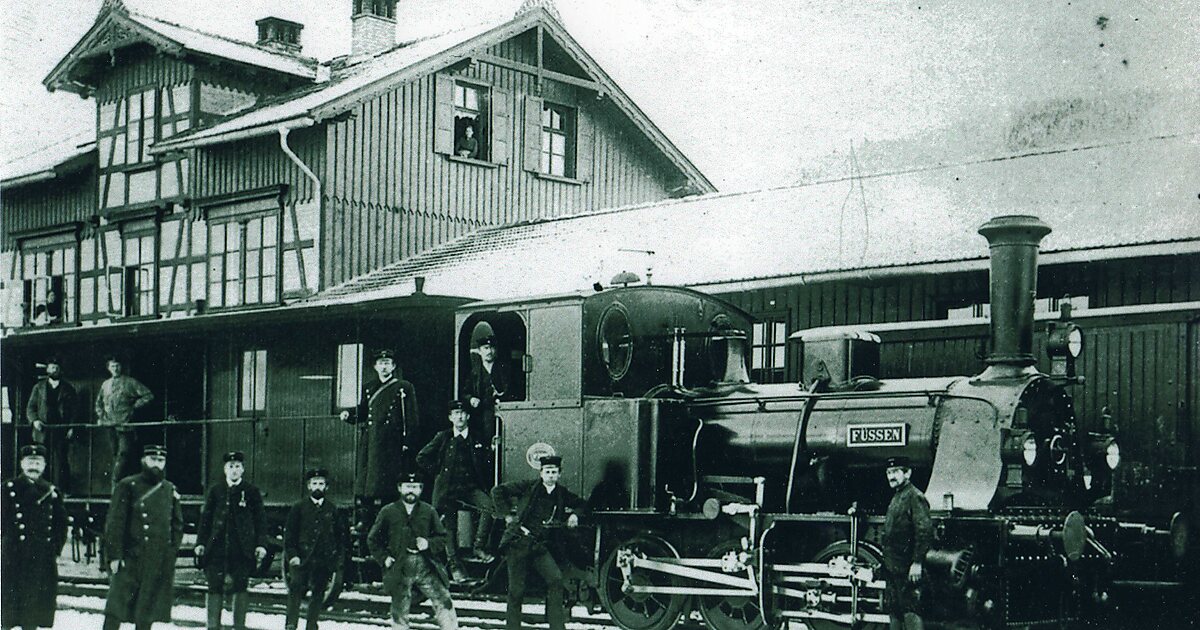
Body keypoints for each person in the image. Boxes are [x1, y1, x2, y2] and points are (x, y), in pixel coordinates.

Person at [492, 455, 587, 630]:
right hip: (518, 543)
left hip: (539, 547)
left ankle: (557, 627)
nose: (551, 475)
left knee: (556, 579)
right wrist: (506, 515)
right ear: (541, 473)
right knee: (516, 591)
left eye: (554, 472)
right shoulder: (528, 487)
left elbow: (582, 504)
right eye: (547, 472)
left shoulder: (561, 493)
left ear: (559, 474)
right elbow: (497, 491)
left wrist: (575, 515)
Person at [102, 444, 184, 630]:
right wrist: (114, 556)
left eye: (161, 460)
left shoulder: (169, 489)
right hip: (131, 558)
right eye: (153, 459)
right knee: (115, 610)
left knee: (146, 613)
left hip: (156, 560)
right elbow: (115, 523)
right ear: (144, 461)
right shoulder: (128, 485)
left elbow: (177, 524)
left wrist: (170, 552)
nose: (157, 464)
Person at [368, 473, 460, 630]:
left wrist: (428, 543)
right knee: (400, 606)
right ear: (400, 488)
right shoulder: (388, 511)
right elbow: (373, 539)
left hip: (425, 565)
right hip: (400, 566)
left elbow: (442, 537)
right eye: (408, 486)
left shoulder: (429, 511)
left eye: (415, 487)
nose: (411, 490)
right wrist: (384, 558)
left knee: (443, 599)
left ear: (421, 489)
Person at [417, 399, 496, 582]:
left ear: (468, 416)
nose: (459, 417)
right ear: (450, 418)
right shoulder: (443, 437)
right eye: (456, 414)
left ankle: (478, 547)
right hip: (448, 489)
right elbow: (422, 457)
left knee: (489, 507)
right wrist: (438, 472)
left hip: (470, 488)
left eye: (462, 414)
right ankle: (455, 566)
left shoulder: (476, 438)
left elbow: (487, 462)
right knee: (449, 526)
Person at [195, 451, 267, 630]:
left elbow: (260, 520)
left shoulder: (251, 491)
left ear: (242, 469)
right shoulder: (216, 490)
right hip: (216, 549)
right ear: (225, 469)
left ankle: (238, 626)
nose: (234, 470)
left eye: (237, 466)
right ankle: (213, 626)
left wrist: (261, 544)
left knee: (240, 586)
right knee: (214, 586)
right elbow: (205, 520)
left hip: (241, 550)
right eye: (230, 466)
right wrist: (201, 543)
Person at [340, 349, 420, 505]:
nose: (384, 367)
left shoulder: (403, 387)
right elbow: (363, 412)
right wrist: (348, 414)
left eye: (387, 363)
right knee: (369, 478)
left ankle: (387, 509)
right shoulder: (369, 387)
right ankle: (368, 510)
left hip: (392, 441)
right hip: (372, 440)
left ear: (393, 366)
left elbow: (411, 417)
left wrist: (407, 441)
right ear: (375, 367)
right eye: (381, 363)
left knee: (389, 481)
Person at [1, 445, 68, 630]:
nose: (34, 466)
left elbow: (61, 524)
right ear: (22, 464)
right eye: (30, 462)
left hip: (42, 556)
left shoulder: (51, 491)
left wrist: (55, 549)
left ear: (44, 466)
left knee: (35, 606)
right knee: (11, 606)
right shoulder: (8, 489)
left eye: (38, 463)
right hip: (14, 555)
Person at [284, 468, 348, 630]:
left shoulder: (332, 509)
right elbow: (289, 535)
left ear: (326, 487)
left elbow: (340, 537)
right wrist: (293, 555)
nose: (317, 487)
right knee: (296, 591)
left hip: (322, 560)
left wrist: (336, 559)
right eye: (314, 483)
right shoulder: (298, 507)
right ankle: (291, 624)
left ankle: (311, 625)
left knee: (318, 594)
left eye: (321, 484)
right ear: (309, 486)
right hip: (301, 559)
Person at [881, 457, 933, 630]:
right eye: (888, 472)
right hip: (893, 565)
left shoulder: (915, 496)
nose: (891, 476)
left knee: (911, 608)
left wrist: (917, 562)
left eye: (895, 471)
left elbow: (924, 531)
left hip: (906, 566)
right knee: (895, 609)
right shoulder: (897, 496)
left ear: (908, 473)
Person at [95, 357, 154, 489]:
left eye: (117, 366)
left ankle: (115, 484)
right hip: (110, 425)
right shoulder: (105, 385)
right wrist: (102, 416)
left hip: (125, 425)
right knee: (116, 455)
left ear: (121, 367)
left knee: (123, 455)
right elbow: (98, 403)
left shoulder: (130, 382)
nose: (115, 369)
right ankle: (121, 487)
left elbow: (148, 395)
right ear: (108, 368)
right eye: (112, 366)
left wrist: (134, 407)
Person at [25, 358, 80, 490]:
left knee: (62, 459)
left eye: (57, 368)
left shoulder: (68, 388)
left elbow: (75, 410)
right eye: (52, 368)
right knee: (43, 459)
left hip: (61, 429)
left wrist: (71, 427)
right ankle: (42, 488)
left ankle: (63, 490)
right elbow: (30, 408)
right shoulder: (38, 387)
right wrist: (35, 421)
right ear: (47, 369)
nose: (54, 370)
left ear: (61, 370)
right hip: (43, 429)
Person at [460, 322, 508, 441]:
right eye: (486, 348)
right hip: (480, 416)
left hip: (501, 414)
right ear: (480, 351)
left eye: (492, 348)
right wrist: (471, 399)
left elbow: (510, 390)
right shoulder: (474, 372)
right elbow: (465, 393)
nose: (489, 351)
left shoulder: (503, 369)